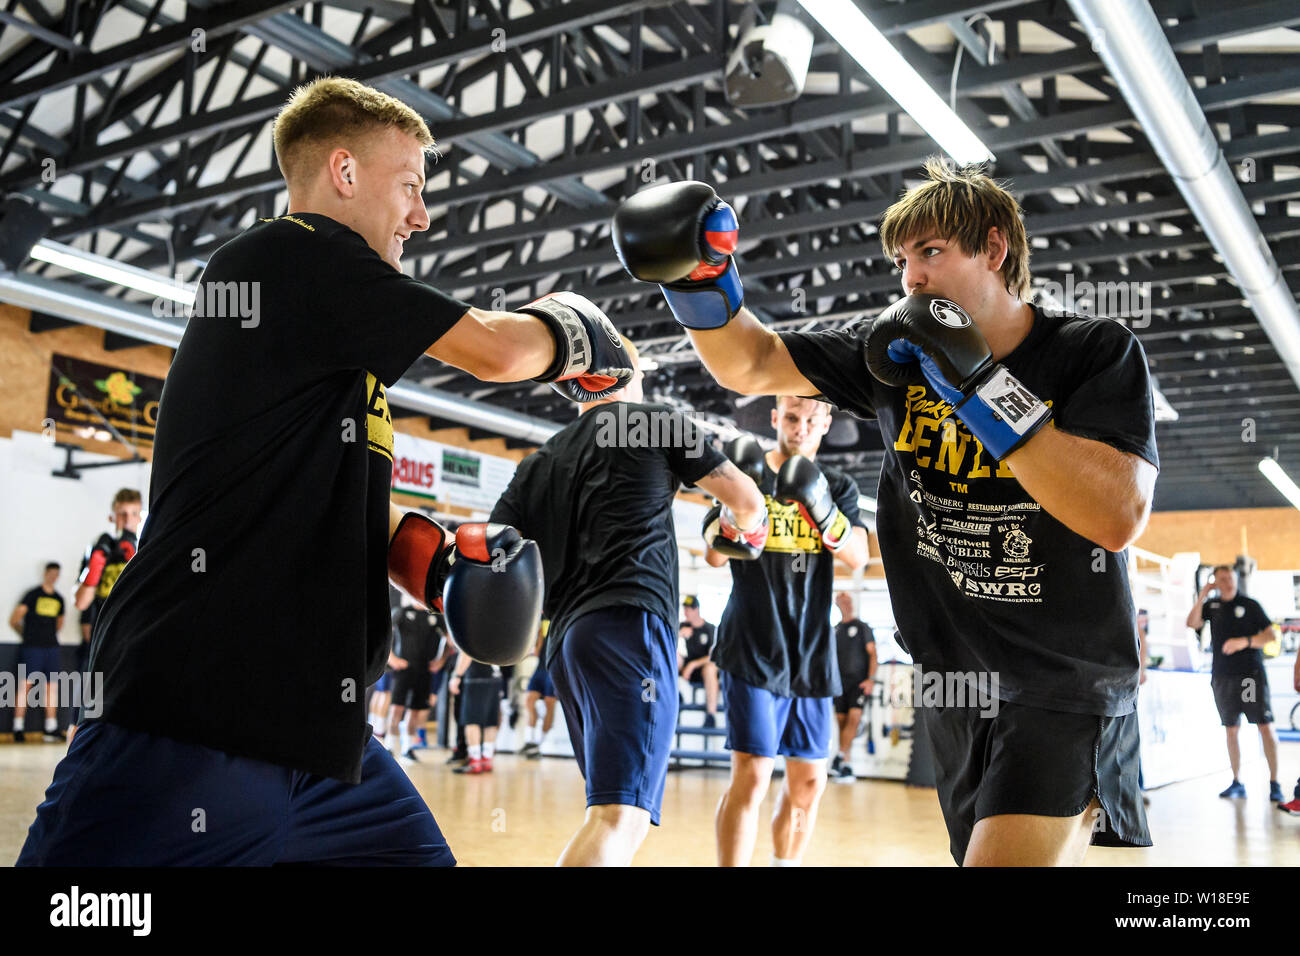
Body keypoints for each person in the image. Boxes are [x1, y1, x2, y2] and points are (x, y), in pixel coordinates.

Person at [17, 76, 632, 866]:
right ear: (344, 172)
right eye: (409, 186)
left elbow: (339, 505)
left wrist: (438, 566)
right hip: (188, 724)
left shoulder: (330, 345)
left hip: (324, 749)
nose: (421, 215)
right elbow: (497, 351)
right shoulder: (292, 253)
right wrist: (585, 330)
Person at [614, 159, 1157, 866]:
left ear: (994, 249)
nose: (911, 278)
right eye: (902, 261)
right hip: (954, 679)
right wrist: (699, 277)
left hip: (1064, 678)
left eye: (931, 252)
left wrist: (979, 386)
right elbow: (751, 362)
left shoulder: (1092, 351)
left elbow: (1117, 515)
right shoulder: (891, 357)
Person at [489, 338, 767, 866]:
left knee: (608, 810)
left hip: (566, 644)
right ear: (628, 375)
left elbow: (493, 556)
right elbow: (748, 501)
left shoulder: (538, 462)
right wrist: (741, 531)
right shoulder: (655, 421)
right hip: (629, 628)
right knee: (620, 817)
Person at [701, 402, 871, 866]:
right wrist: (739, 508)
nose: (801, 429)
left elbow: (858, 556)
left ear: (827, 424)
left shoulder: (837, 485)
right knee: (753, 775)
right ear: (775, 418)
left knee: (809, 784)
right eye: (793, 418)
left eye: (812, 421)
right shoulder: (745, 474)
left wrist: (822, 508)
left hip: (811, 651)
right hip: (752, 644)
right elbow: (713, 556)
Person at [1186, 565, 1284, 802]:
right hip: (1222, 676)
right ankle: (1237, 781)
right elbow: (1192, 623)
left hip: (1250, 676)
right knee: (1231, 729)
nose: (1228, 583)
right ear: (1216, 582)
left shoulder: (1250, 605)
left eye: (1230, 578)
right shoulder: (1212, 606)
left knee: (1264, 725)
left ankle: (1274, 783)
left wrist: (1244, 642)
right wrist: (1203, 594)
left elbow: (1271, 636)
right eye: (1222, 579)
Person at [74, 488, 142, 673]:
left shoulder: (146, 548)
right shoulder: (99, 548)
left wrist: (134, 559)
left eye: (133, 513)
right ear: (112, 517)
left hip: (135, 638)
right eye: (122, 514)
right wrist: (96, 566)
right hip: (101, 640)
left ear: (139, 517)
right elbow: (80, 602)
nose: (127, 520)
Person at [9, 563, 66, 742]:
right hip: (32, 647)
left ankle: (51, 727)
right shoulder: (33, 595)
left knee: (51, 687)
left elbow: (59, 623)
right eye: (51, 573)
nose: (54, 577)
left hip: (52, 648)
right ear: (45, 573)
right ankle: (18, 727)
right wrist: (27, 635)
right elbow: (15, 619)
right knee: (25, 686)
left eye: (57, 574)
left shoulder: (59, 599)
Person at [386, 596, 442, 762]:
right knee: (396, 708)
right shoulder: (402, 612)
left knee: (415, 710)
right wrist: (391, 658)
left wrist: (441, 660)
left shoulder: (433, 615)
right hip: (404, 670)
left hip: (424, 670)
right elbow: (383, 633)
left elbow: (450, 639)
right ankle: (389, 746)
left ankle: (408, 748)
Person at [831, 591, 876, 783]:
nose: (847, 604)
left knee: (854, 719)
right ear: (837, 605)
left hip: (858, 683)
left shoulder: (862, 627)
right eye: (843, 601)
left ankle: (840, 755)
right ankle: (846, 766)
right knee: (841, 723)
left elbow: (873, 654)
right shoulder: (835, 630)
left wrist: (870, 679)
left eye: (848, 601)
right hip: (838, 685)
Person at [448, 652, 504, 775]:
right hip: (495, 675)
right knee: (490, 720)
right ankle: (487, 759)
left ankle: (475, 761)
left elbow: (466, 653)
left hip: (476, 676)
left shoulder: (474, 636)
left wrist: (457, 675)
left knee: (471, 719)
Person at [678, 595, 720, 727]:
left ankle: (711, 715)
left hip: (703, 670)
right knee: (675, 657)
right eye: (685, 609)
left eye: (689, 609)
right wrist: (678, 635)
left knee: (710, 668)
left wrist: (693, 664)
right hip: (685, 671)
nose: (686, 612)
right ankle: (676, 694)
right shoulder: (682, 626)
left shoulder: (710, 629)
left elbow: (714, 656)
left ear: (696, 610)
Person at [520, 620, 557, 759]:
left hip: (553, 667)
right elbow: (536, 651)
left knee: (549, 703)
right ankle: (529, 741)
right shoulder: (541, 620)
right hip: (540, 667)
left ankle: (538, 745)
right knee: (529, 700)